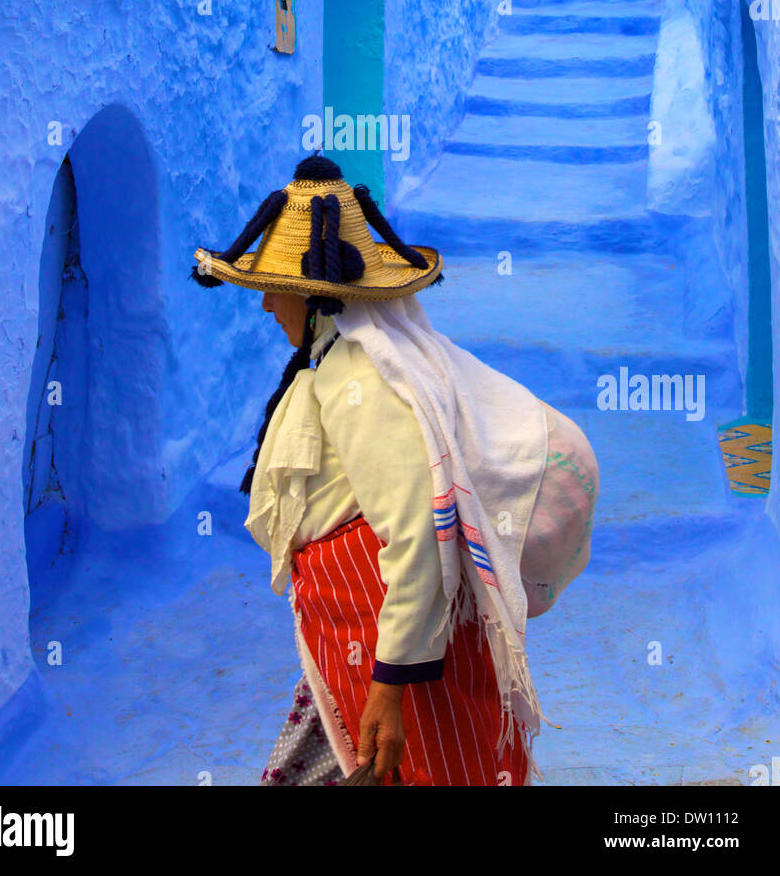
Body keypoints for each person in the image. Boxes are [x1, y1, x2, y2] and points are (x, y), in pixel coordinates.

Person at [192, 154, 562, 786]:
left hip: (390, 658)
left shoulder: (359, 382)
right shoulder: (347, 365)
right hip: (360, 643)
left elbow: (419, 529)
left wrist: (388, 687)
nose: (265, 306)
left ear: (315, 296)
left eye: (274, 288)